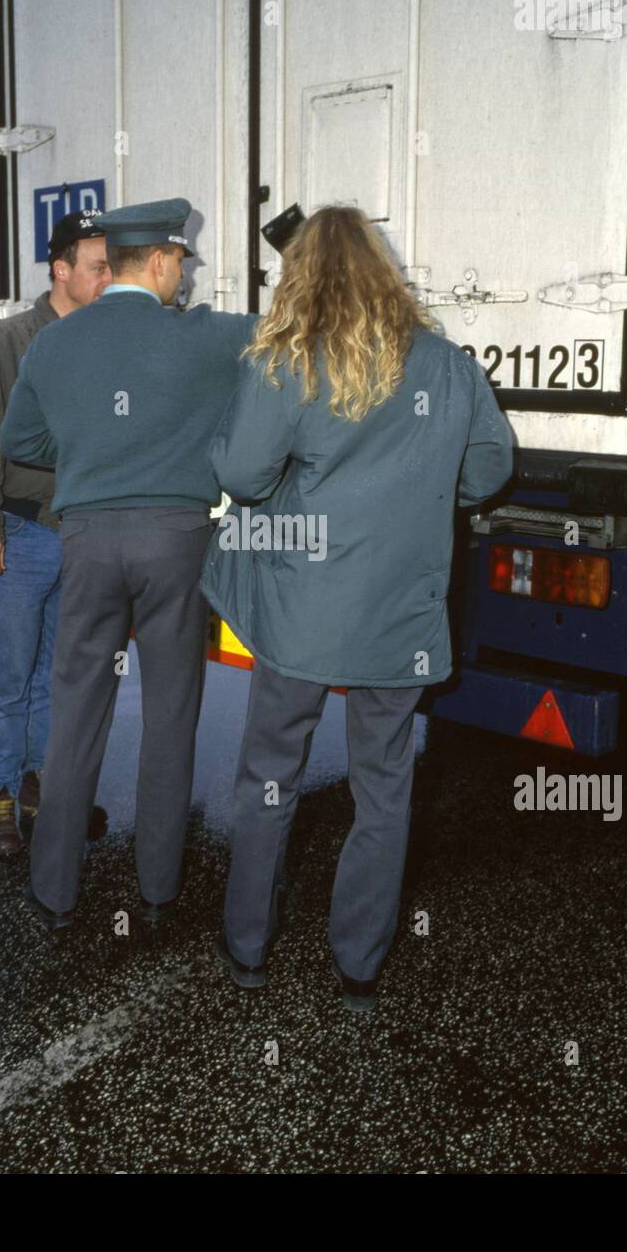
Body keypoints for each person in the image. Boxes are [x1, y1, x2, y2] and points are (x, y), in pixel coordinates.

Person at [202, 205, 514, 1011]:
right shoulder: (446, 366)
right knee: (385, 787)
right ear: (382, 270)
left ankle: (247, 950)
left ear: (301, 274)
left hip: (305, 614)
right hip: (399, 621)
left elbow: (241, 474)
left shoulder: (286, 362)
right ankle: (359, 967)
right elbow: (486, 472)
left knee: (270, 775)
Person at [0, 197, 258, 935]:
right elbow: (287, 346)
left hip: (87, 540)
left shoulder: (54, 343)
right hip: (175, 541)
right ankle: (157, 888)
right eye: (182, 262)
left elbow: (22, 440)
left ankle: (53, 890)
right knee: (171, 714)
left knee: (76, 713)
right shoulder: (207, 338)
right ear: (159, 260)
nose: (185, 276)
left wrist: (89, 456)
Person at [0, 209, 112, 856]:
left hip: (82, 533)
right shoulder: (8, 341)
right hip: (20, 535)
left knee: (57, 675)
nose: (107, 277)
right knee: (9, 676)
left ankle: (43, 785)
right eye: (98, 266)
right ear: (62, 268)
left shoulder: (106, 342)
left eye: (111, 266)